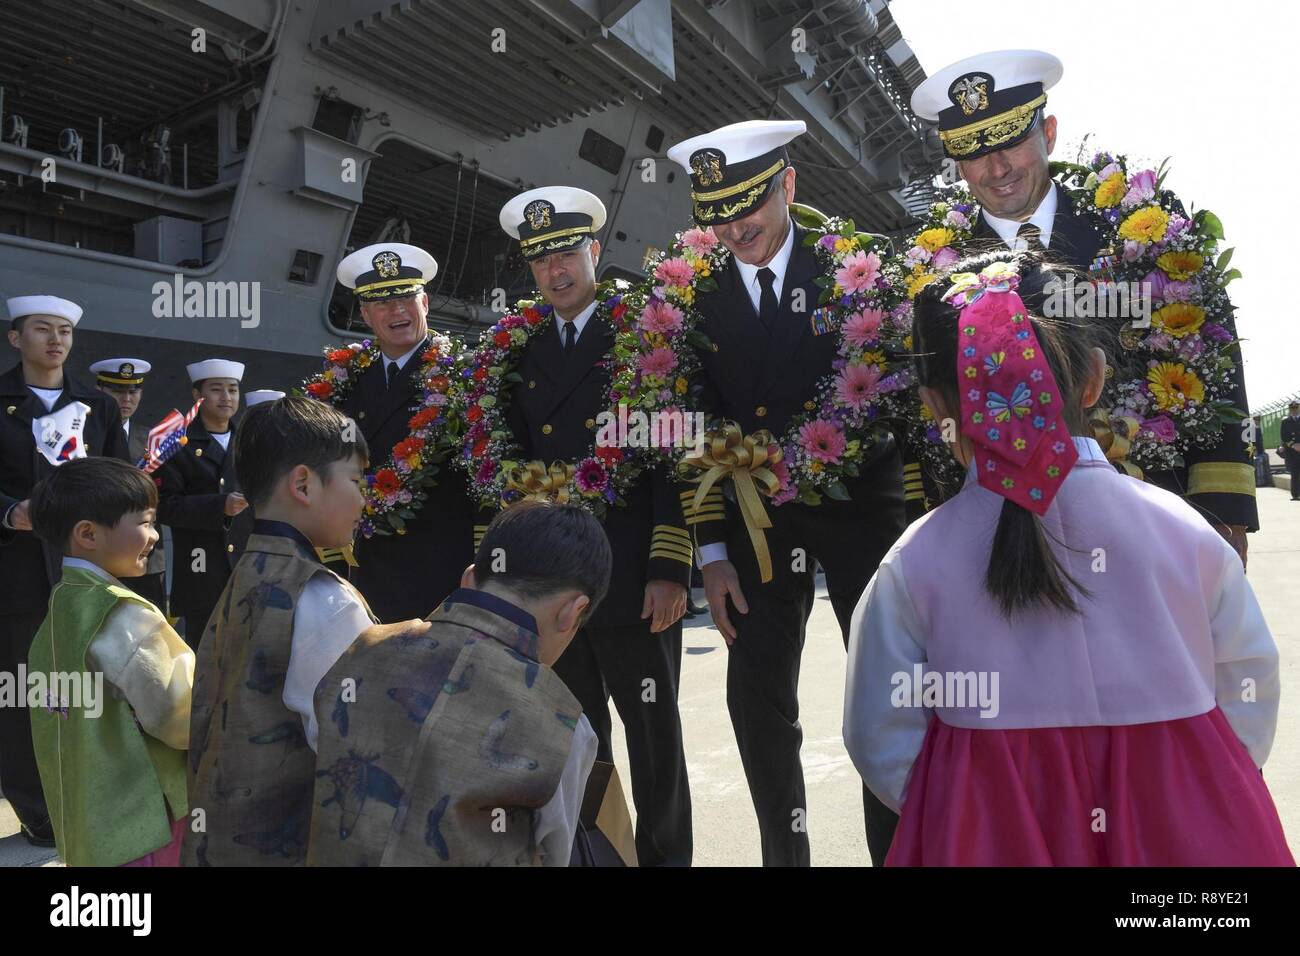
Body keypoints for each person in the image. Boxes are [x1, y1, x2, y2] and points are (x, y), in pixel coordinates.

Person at [845, 253, 1293, 865]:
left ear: (936, 406)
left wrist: (957, 806)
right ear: (1095, 379)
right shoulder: (1185, 532)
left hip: (987, 835)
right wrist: (1211, 783)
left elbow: (880, 733)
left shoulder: (915, 560)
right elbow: (1248, 679)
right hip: (1185, 833)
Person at [664, 121, 920, 866]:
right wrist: (708, 553)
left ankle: (900, 850)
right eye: (718, 213)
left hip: (860, 512)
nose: (735, 228)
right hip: (751, 524)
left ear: (789, 186)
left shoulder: (857, 271)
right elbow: (686, 432)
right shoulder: (688, 298)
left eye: (749, 204)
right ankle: (787, 852)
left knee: (886, 689)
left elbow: (901, 410)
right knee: (758, 700)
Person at [911, 49, 1258, 563]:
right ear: (958, 162)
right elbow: (928, 403)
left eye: (1013, 142)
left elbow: (1210, 351)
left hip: (1154, 508)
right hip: (1003, 531)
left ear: (1048, 132)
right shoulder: (939, 271)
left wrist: (1222, 507)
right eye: (975, 153)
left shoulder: (1142, 230)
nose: (997, 168)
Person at [483, 186, 693, 865]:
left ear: (595, 250)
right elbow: (510, 462)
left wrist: (669, 568)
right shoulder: (521, 349)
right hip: (553, 586)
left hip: (634, 579)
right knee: (576, 737)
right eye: (541, 260)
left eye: (568, 252)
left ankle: (664, 859)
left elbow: (673, 458)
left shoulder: (644, 332)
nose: (556, 271)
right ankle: (600, 856)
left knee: (654, 737)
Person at [181, 395, 425, 866]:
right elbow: (350, 744)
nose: (364, 498)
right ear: (303, 484)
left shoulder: (247, 571)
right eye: (355, 481)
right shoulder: (324, 598)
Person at [309, 500, 609, 866]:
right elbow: (556, 854)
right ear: (573, 611)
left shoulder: (361, 650)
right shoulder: (564, 726)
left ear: (469, 578)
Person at [0, 294, 130, 847]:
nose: (55, 340)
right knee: (23, 692)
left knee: (89, 688)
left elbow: (123, 482)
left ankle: (96, 793)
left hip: (86, 572)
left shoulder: (98, 408)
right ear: (15, 338)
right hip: (18, 570)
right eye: (41, 330)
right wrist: (9, 510)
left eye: (65, 332)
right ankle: (36, 807)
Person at [27, 457, 193, 866]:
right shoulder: (123, 613)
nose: (154, 536)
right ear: (88, 533)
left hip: (88, 818)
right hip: (149, 813)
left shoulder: (59, 608)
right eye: (145, 522)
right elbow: (176, 712)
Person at [333, 243, 475, 621]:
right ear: (365, 314)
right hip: (364, 567)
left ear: (425, 303)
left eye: (406, 297)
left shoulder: (465, 376)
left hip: (441, 570)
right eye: (382, 302)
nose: (397, 310)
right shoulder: (348, 381)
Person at [156, 359, 249, 645]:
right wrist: (218, 506)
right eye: (217, 390)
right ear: (198, 396)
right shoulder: (177, 443)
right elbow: (165, 505)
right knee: (203, 652)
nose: (227, 398)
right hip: (201, 569)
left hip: (244, 566)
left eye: (233, 390)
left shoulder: (249, 441)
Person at [90, 357, 166, 608]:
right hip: (99, 547)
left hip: (145, 552)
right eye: (117, 390)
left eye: (134, 391)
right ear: (99, 390)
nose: (126, 399)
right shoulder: (86, 433)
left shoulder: (153, 440)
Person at [1280, 402, 1300, 500]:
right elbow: (1283, 437)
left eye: (1296, 408)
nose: (1294, 410)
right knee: (1295, 474)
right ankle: (1295, 495)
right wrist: (1293, 445)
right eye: (1292, 409)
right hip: (1292, 452)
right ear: (1290, 410)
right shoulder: (1285, 422)